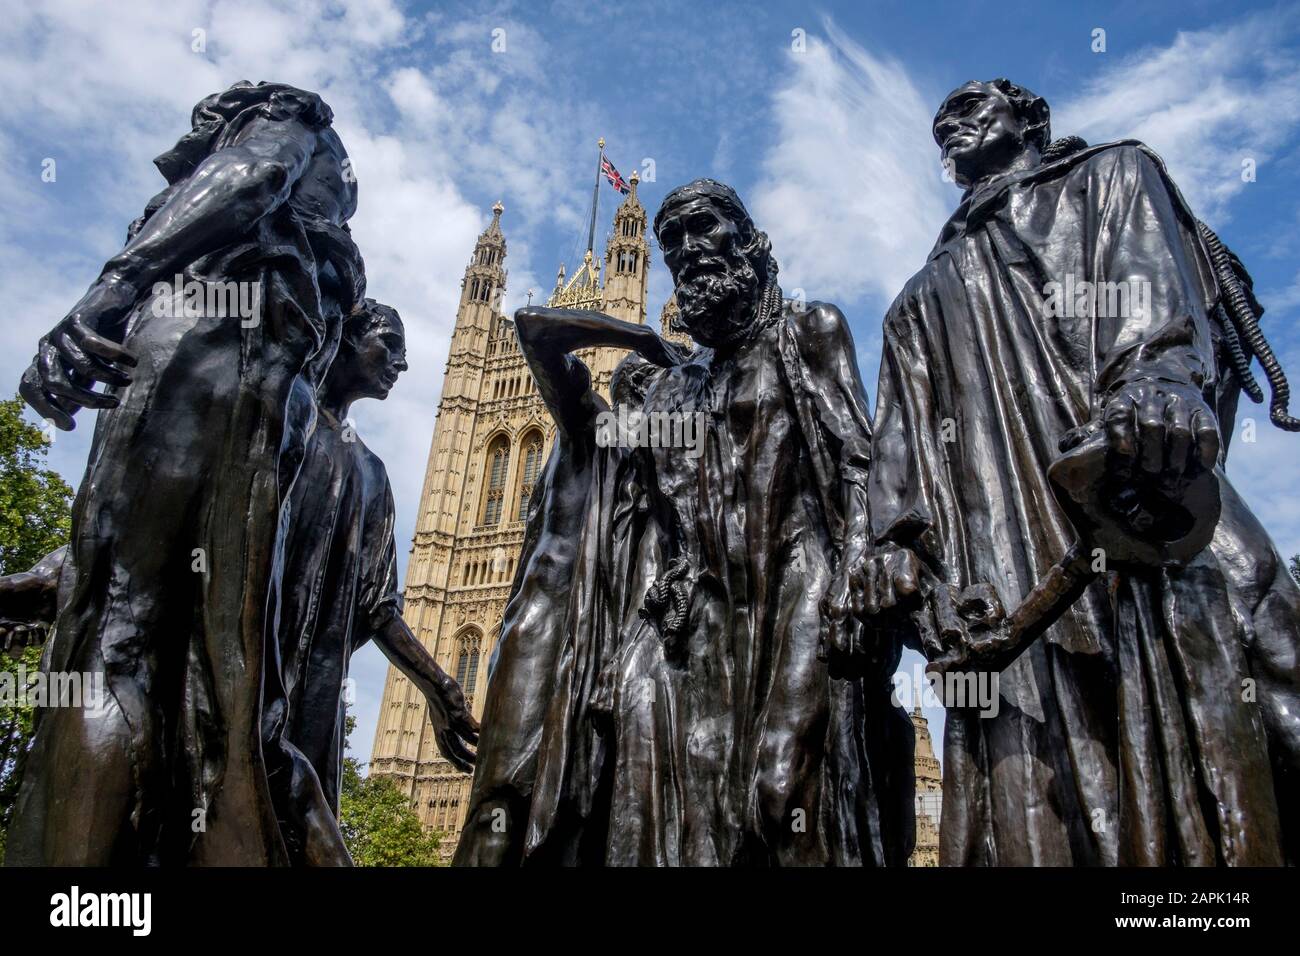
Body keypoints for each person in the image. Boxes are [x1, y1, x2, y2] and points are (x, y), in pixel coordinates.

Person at [856, 79, 1298, 865]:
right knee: (1052, 759)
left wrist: (1157, 375)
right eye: (940, 125)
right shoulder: (915, 303)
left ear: (1030, 119)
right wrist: (893, 546)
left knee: (1261, 633)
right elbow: (900, 453)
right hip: (1013, 544)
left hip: (1137, 481)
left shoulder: (1113, 173)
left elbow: (1154, 300)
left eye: (970, 107)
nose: (951, 127)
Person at [456, 179, 913, 866]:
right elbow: (538, 339)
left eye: (706, 229)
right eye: (672, 245)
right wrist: (635, 335)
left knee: (780, 791)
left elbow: (858, 468)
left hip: (793, 599)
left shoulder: (806, 331)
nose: (691, 250)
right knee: (650, 823)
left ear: (751, 240)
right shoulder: (672, 385)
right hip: (689, 626)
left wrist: (864, 569)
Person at [7, 81, 365, 866]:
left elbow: (252, 174)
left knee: (116, 637)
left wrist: (108, 293)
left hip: (198, 341)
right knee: (226, 678)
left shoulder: (280, 122)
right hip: (267, 391)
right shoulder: (323, 238)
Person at [272, 297, 478, 863]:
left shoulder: (370, 472)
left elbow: (378, 607)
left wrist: (441, 687)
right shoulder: (274, 417)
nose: (401, 365)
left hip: (312, 696)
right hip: (235, 677)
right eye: (390, 346)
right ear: (340, 335)